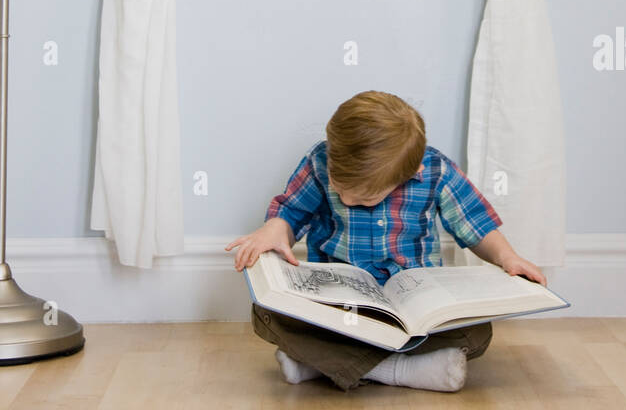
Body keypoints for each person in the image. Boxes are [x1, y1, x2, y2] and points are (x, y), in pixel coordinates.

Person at [225, 89, 546, 392]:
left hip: (412, 313)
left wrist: (507, 257)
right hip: (341, 309)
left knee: (475, 332)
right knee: (269, 315)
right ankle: (399, 371)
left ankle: (327, 366)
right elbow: (292, 213)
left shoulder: (436, 172)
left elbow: (476, 224)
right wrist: (274, 230)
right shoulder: (320, 161)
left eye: (362, 199)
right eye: (338, 184)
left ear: (408, 175)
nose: (343, 195)